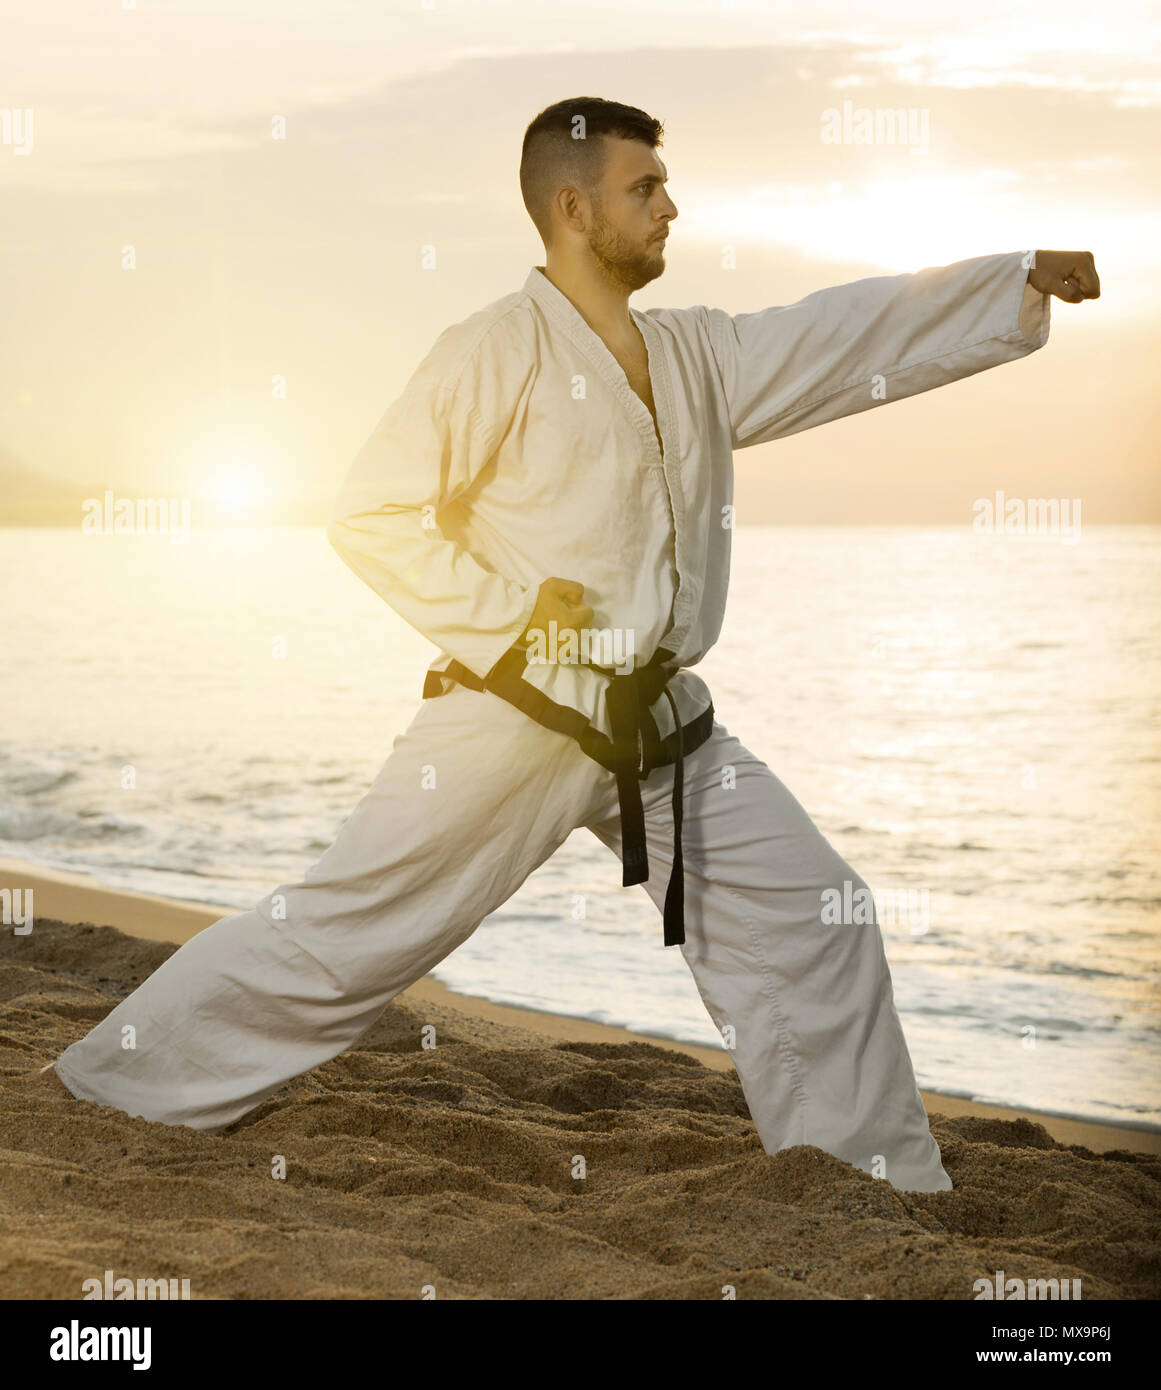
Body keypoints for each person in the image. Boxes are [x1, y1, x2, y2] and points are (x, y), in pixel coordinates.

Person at [43, 97, 1099, 1193]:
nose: (670, 206)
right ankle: (115, 1087)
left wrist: (1015, 276)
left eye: (663, 186)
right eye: (645, 188)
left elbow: (843, 332)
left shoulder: (697, 351)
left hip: (659, 725)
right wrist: (509, 619)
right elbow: (371, 511)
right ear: (570, 206)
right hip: (517, 719)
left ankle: (864, 1177)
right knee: (345, 936)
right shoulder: (495, 349)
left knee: (813, 914)